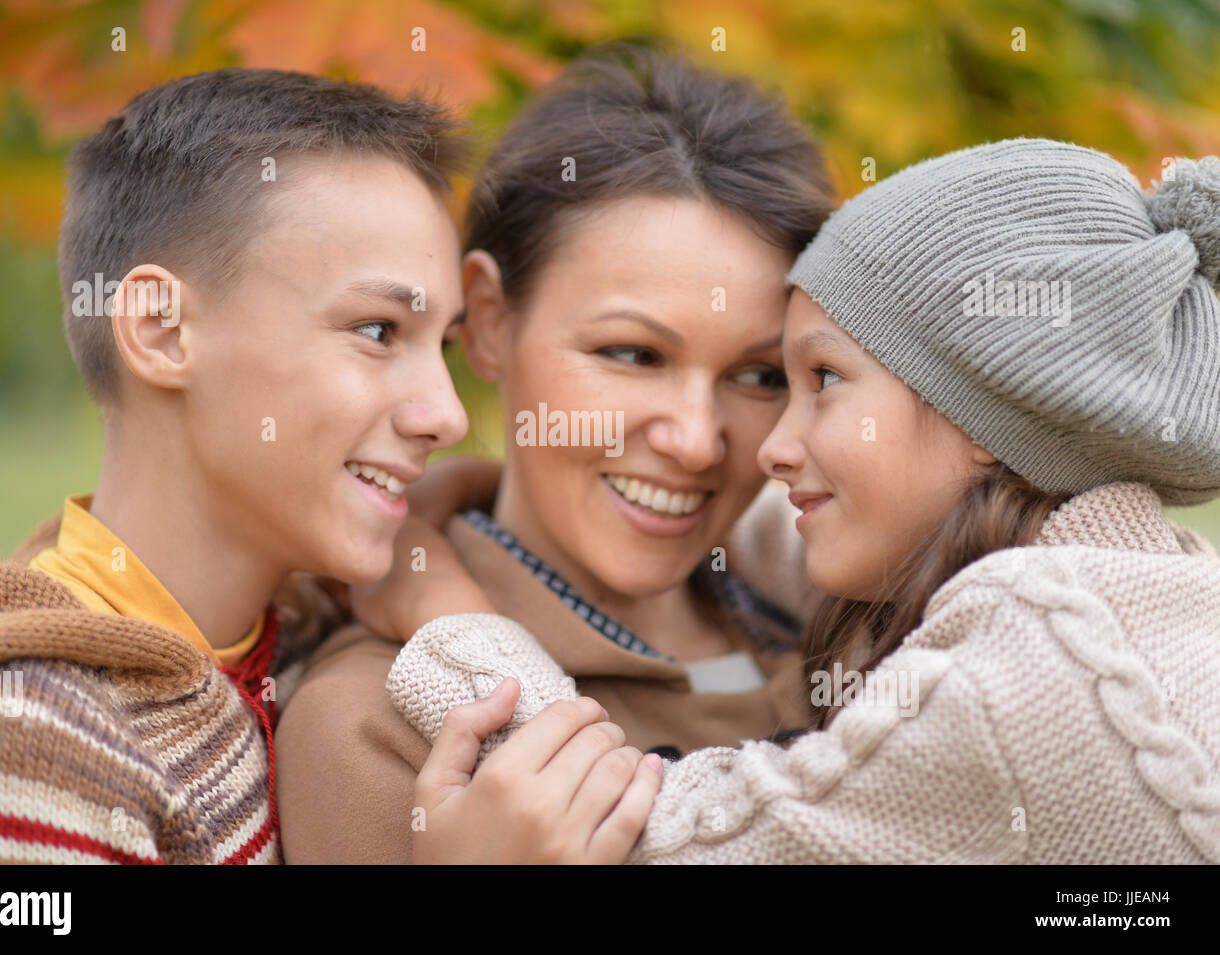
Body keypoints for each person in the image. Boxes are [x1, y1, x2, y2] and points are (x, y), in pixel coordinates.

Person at [387, 139, 1220, 863]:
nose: (762, 446)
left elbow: (646, 835)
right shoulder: (1154, 588)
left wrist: (445, 610)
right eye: (634, 353)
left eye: (820, 378)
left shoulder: (1026, 658)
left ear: (984, 411)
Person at [274, 49, 834, 864]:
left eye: (757, 375)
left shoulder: (853, 631)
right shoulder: (380, 723)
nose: (697, 438)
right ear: (493, 322)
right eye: (634, 354)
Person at [0, 68, 483, 864]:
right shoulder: (16, 743)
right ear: (162, 330)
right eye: (379, 330)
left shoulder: (320, 638)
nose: (449, 413)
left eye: (444, 345)